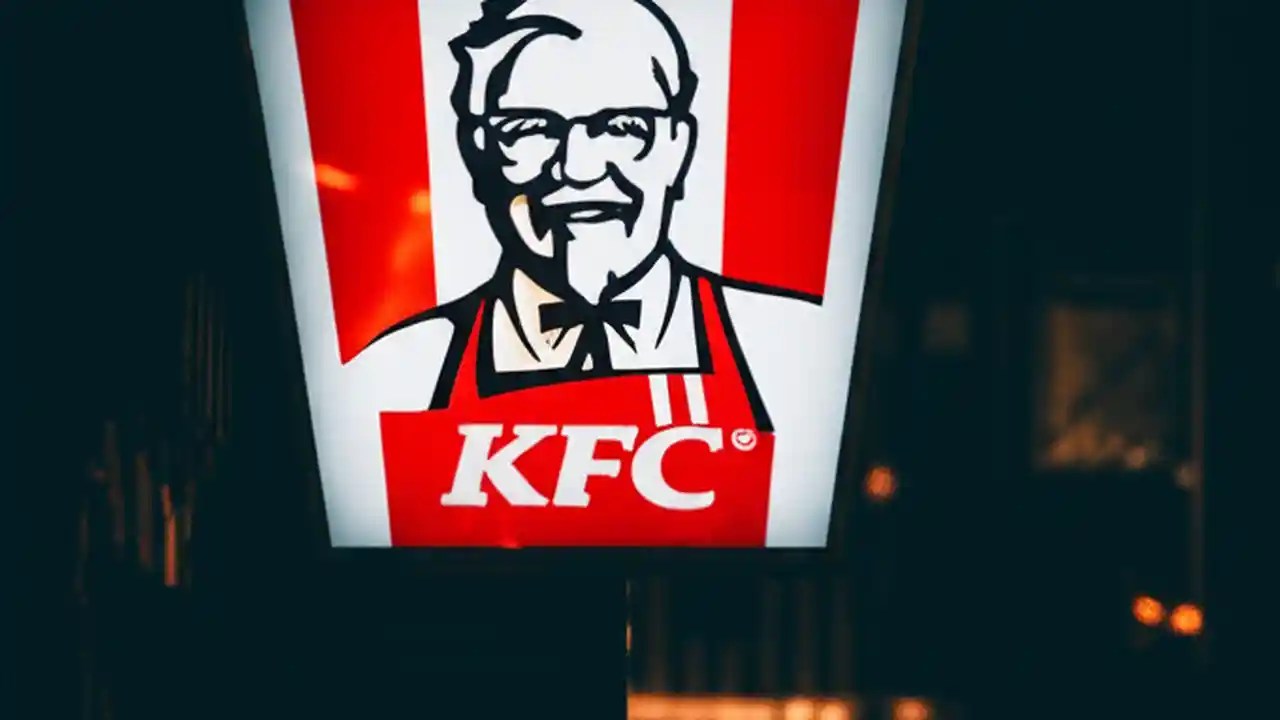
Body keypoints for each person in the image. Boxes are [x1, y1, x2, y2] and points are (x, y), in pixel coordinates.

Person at [362, 0, 811, 546]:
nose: (578, 167)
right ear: (478, 155)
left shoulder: (783, 347)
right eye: (530, 129)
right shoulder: (403, 369)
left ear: (678, 149)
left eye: (624, 127)